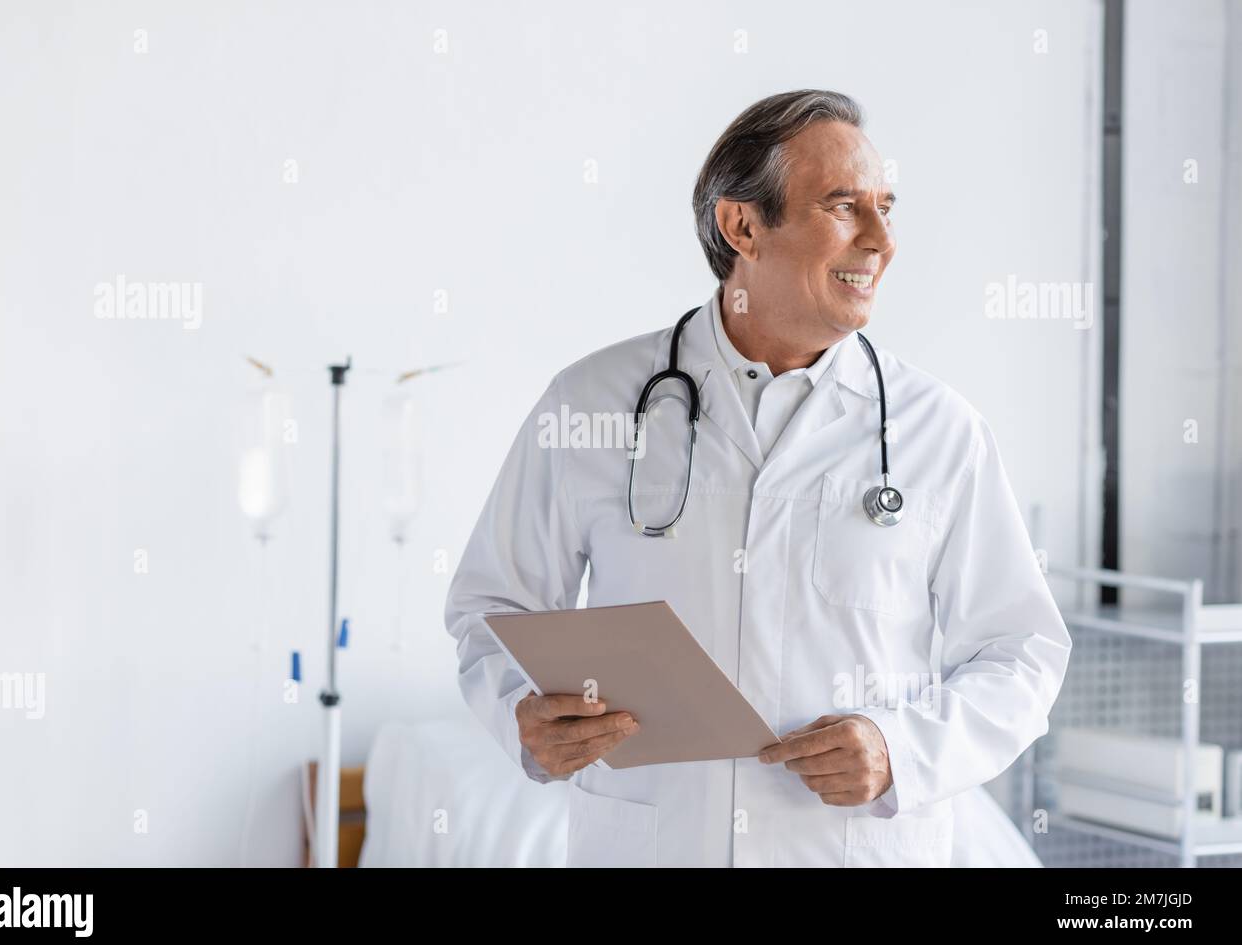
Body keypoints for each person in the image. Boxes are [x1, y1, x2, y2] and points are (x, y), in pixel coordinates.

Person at [444, 90, 1071, 867]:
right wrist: (522, 716)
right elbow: (491, 604)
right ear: (742, 226)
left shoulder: (940, 431)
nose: (882, 240)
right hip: (655, 844)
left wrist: (899, 749)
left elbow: (1022, 652)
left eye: (886, 208)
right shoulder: (591, 404)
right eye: (844, 206)